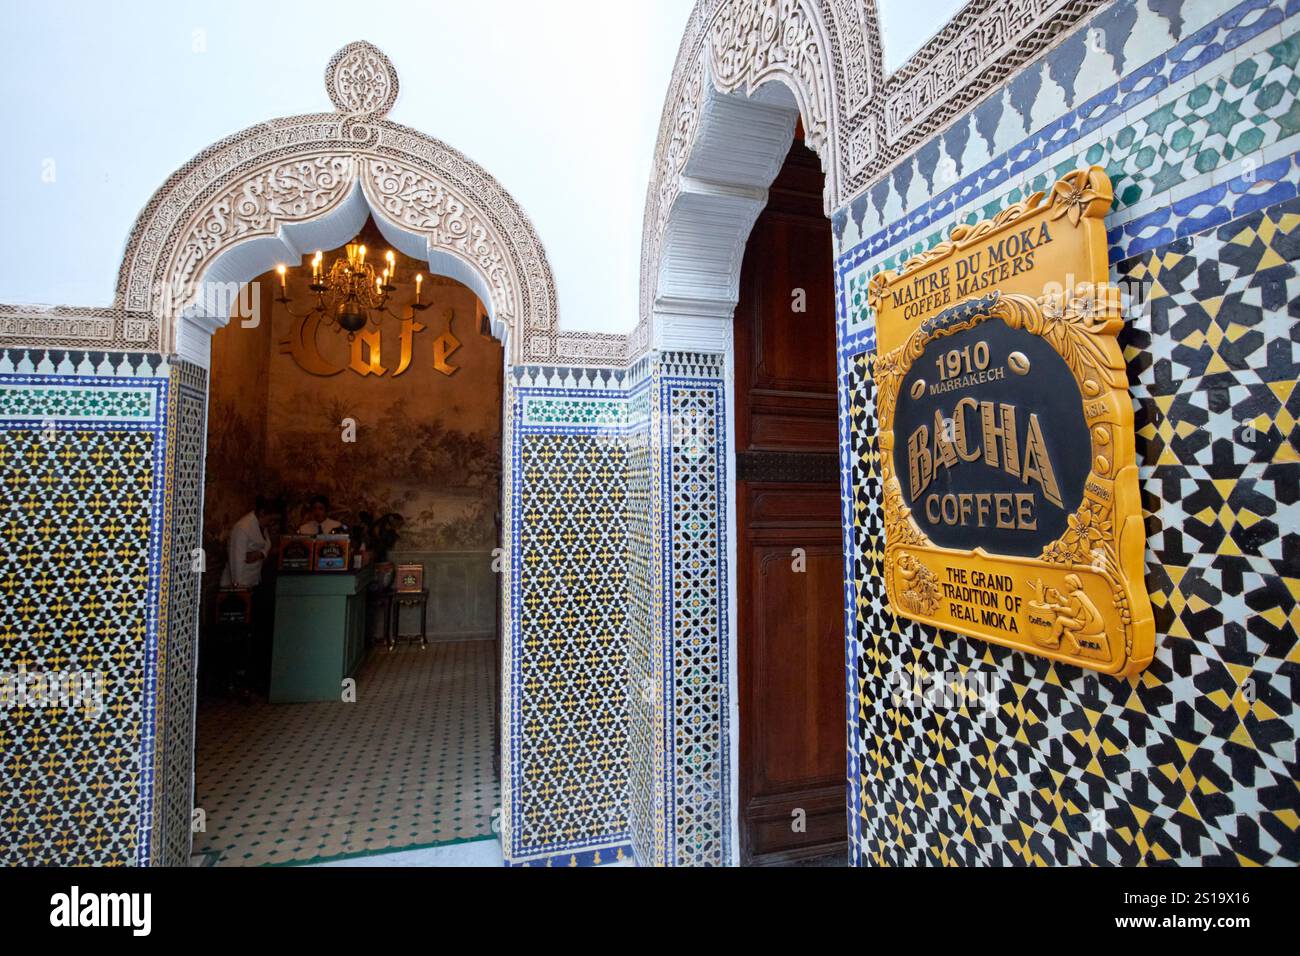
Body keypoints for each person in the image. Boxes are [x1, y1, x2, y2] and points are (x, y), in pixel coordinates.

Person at [221, 496, 283, 587]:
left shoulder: (262, 525)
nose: (272, 523)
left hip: (254, 579)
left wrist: (261, 553)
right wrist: (238, 587)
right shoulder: (242, 528)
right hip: (242, 582)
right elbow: (237, 561)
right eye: (271, 520)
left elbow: (267, 544)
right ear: (262, 513)